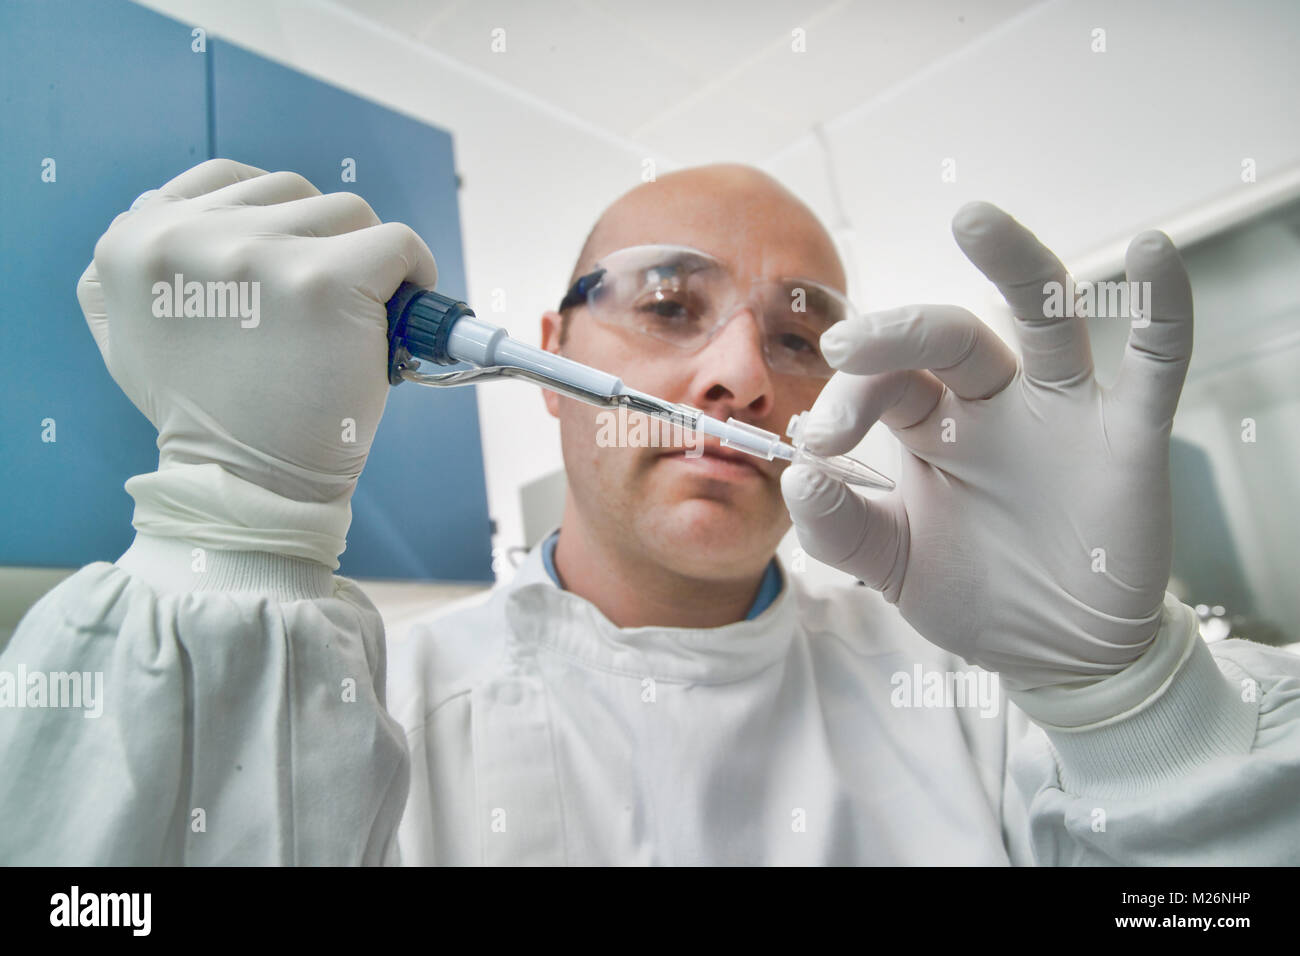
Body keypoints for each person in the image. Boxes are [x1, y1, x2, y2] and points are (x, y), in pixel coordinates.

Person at [1, 158, 1297, 865]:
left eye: (803, 336)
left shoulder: (972, 699)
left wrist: (1136, 709)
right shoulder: (363, 709)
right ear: (545, 358)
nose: (741, 372)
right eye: (671, 308)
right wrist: (230, 542)